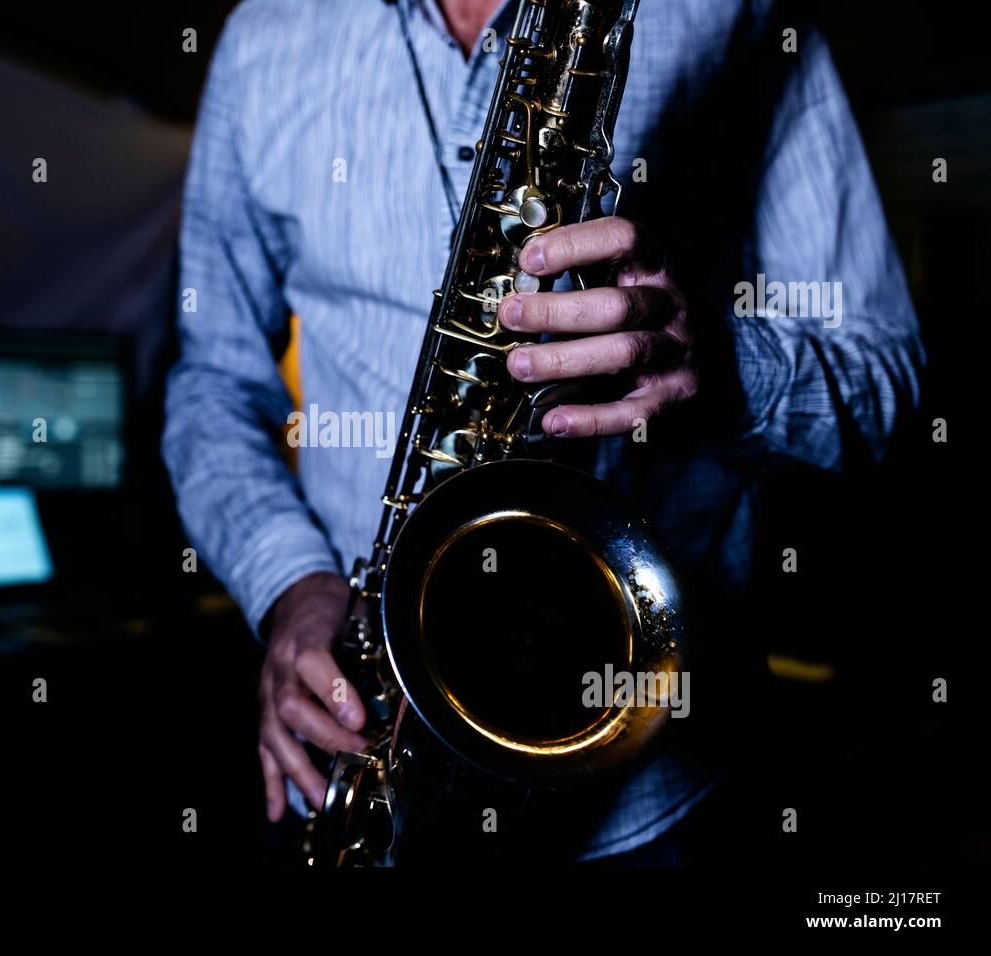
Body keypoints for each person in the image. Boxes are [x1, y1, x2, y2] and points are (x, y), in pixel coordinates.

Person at [162, 0, 921, 862]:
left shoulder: (744, 15)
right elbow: (214, 382)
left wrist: (719, 365)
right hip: (374, 741)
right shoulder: (264, 35)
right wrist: (288, 583)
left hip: (659, 791)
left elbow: (889, 383)